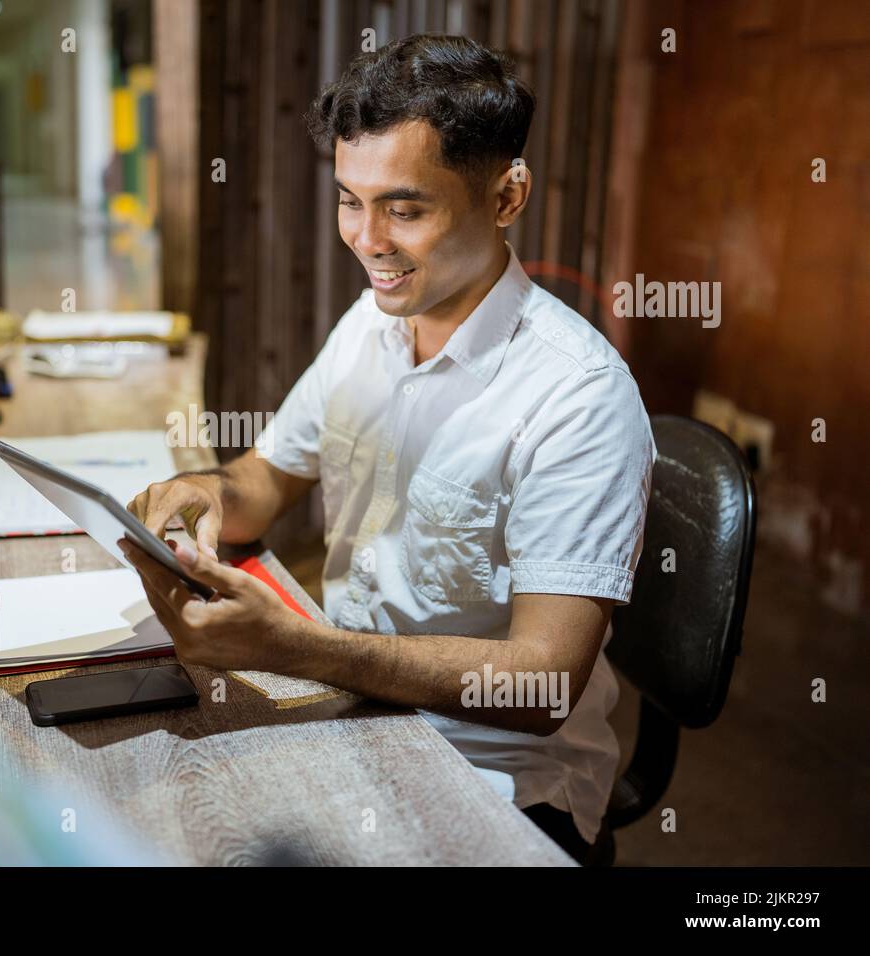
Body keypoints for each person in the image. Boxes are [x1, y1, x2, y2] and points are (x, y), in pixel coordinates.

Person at [118, 33, 654, 864]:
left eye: (405, 209)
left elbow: (540, 682)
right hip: (348, 707)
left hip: (494, 780)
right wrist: (205, 493)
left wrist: (297, 647)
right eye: (348, 200)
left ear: (508, 195)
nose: (368, 241)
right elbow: (266, 478)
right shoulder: (374, 322)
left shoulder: (578, 395)